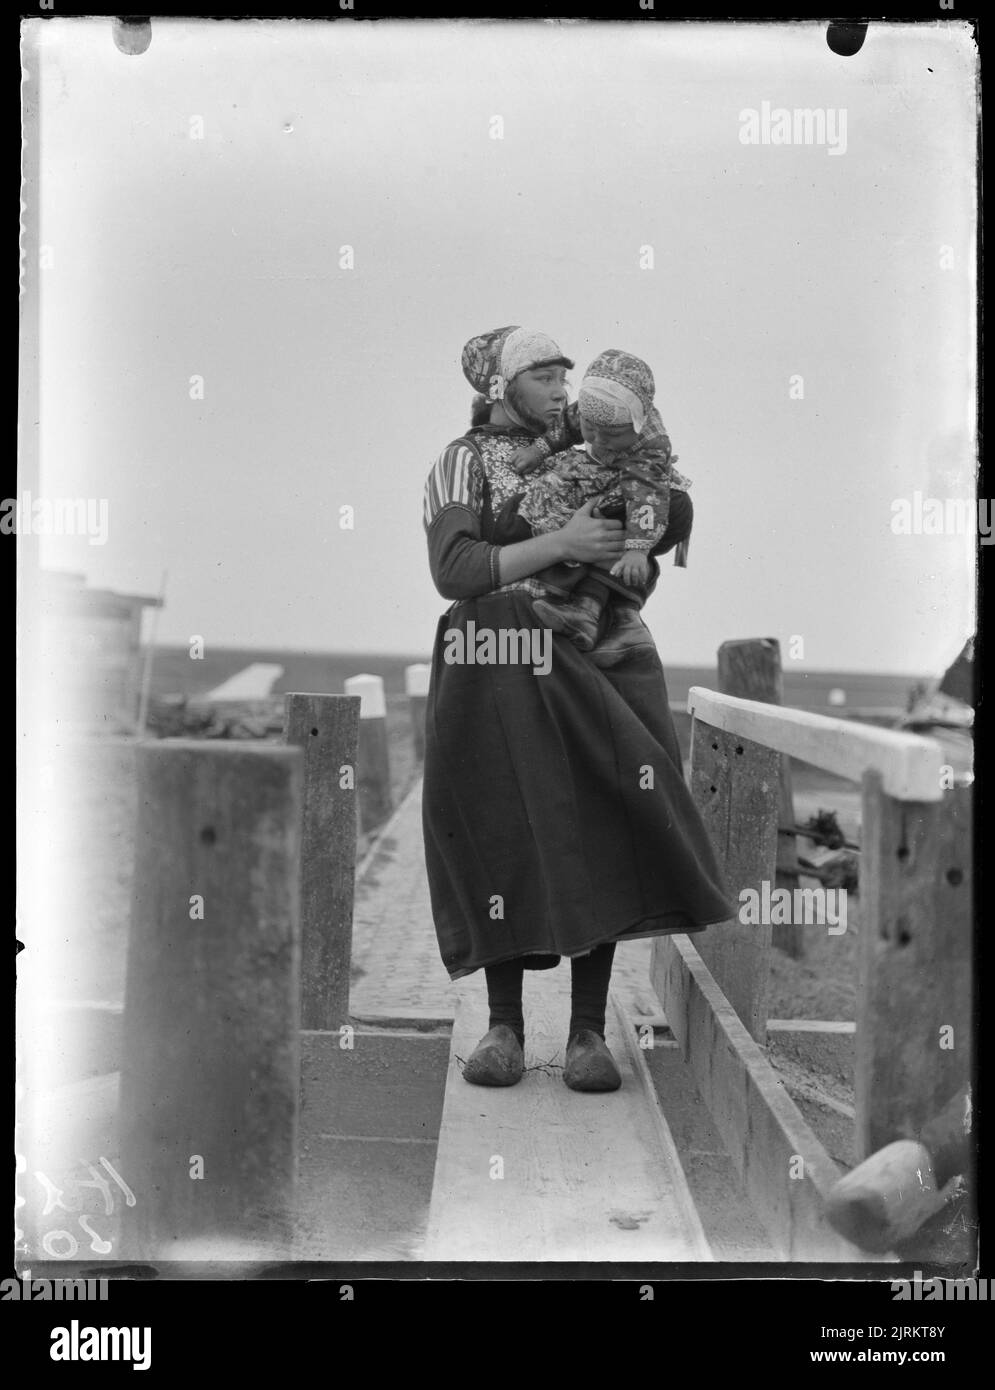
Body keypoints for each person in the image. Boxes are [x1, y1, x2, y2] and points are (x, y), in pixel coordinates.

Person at [421, 324, 734, 1093]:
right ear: (501, 388)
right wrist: (568, 540)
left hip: (600, 648)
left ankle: (589, 1032)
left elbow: (675, 512)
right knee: (499, 826)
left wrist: (641, 498)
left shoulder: (593, 440)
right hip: (494, 657)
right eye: (541, 374)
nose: (561, 386)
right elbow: (455, 571)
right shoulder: (460, 464)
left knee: (610, 816)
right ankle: (503, 1027)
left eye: (564, 373)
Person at [491, 349, 692, 656]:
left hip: (641, 499)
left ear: (635, 424)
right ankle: (613, 619)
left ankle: (580, 605)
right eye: (591, 429)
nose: (597, 440)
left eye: (611, 434)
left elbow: (645, 494)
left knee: (607, 527)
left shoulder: (650, 444)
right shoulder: (588, 410)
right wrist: (538, 450)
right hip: (605, 482)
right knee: (536, 516)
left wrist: (638, 548)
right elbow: (565, 429)